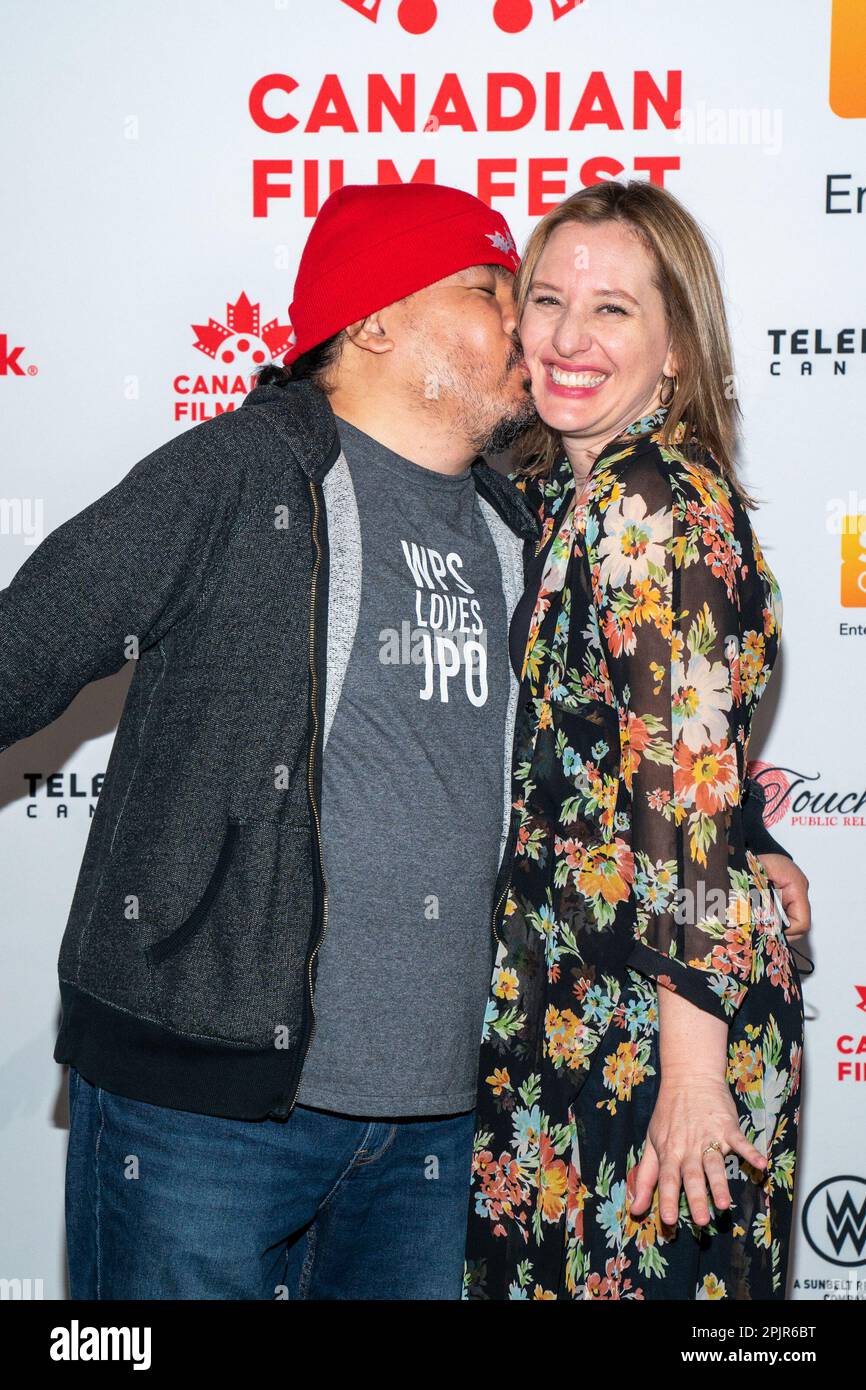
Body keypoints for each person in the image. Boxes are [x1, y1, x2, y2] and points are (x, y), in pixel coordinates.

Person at [0, 181, 808, 1301]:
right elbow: (20, 650)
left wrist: (746, 834)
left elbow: (649, 719)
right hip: (209, 1113)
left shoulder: (520, 516)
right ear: (374, 321)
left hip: (441, 1129)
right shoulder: (238, 474)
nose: (535, 331)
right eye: (497, 292)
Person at [463, 180, 806, 1301]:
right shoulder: (582, 493)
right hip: (583, 1010)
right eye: (546, 298)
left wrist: (693, 1075)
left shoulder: (643, 501)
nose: (567, 336)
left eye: (612, 310)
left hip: (654, 1026)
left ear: (673, 348)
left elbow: (688, 800)